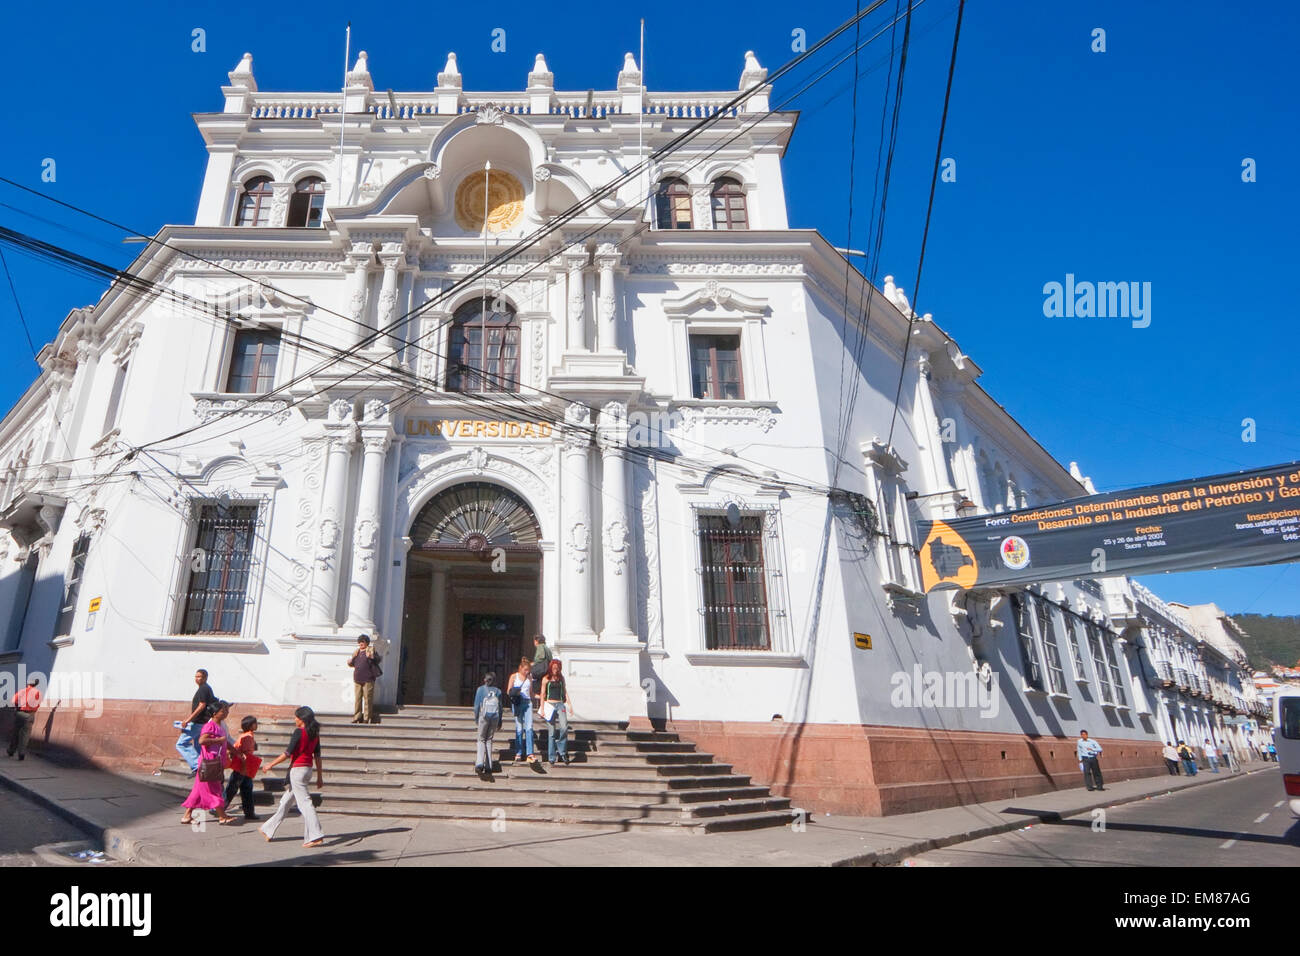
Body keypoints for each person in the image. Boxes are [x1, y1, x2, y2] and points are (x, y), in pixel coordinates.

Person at [260, 706, 325, 847]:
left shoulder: (299, 732)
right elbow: (318, 756)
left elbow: (287, 753)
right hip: (307, 770)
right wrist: (320, 776)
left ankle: (315, 835)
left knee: (305, 803)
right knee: (286, 801)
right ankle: (268, 829)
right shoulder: (315, 734)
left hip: (297, 770)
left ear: (302, 719)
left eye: (296, 717)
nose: (294, 719)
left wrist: (270, 764)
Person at [181, 700, 235, 826]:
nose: (226, 712)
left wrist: (236, 752)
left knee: (198, 791)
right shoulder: (210, 726)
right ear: (215, 713)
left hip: (215, 762)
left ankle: (187, 815)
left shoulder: (220, 726)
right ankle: (222, 816)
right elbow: (202, 740)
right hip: (209, 762)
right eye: (223, 711)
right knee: (213, 789)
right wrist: (218, 740)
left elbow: (226, 742)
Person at [176, 669, 217, 774]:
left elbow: (202, 705)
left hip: (198, 722)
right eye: (196, 676)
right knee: (198, 745)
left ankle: (197, 765)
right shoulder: (205, 688)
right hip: (202, 722)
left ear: (205, 678)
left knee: (181, 744)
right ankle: (203, 765)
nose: (197, 679)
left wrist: (188, 719)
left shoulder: (203, 689)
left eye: (200, 677)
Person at [224, 716, 262, 821]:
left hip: (243, 767)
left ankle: (249, 812)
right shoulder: (248, 737)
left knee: (245, 789)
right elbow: (244, 754)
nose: (256, 724)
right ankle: (220, 808)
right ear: (250, 725)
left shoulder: (246, 736)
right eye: (255, 723)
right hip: (243, 767)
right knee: (234, 788)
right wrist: (244, 768)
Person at [539, 659, 573, 766]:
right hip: (549, 705)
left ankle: (562, 751)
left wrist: (570, 704)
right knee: (552, 732)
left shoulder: (561, 678)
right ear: (550, 668)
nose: (555, 670)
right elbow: (543, 694)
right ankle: (552, 756)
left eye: (557, 668)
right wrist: (542, 708)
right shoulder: (546, 679)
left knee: (564, 727)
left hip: (560, 704)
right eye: (554, 668)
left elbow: (565, 690)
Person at [472, 672, 503, 775]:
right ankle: (489, 765)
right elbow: (500, 707)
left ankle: (479, 763)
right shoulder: (498, 691)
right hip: (494, 717)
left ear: (485, 679)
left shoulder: (480, 690)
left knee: (481, 739)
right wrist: (500, 721)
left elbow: (476, 706)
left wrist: (476, 718)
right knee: (489, 740)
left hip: (484, 716)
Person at [346, 635, 382, 725]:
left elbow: (378, 659)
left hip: (368, 679)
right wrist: (350, 662)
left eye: (363, 641)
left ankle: (367, 717)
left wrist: (371, 656)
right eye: (360, 642)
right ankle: (357, 717)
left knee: (367, 698)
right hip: (358, 678)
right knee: (358, 699)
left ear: (366, 642)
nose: (361, 643)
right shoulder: (357, 652)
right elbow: (354, 663)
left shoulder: (371, 650)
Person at [506, 658, 536, 764]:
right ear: (520, 668)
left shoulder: (529, 677)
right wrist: (516, 693)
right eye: (525, 670)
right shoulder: (514, 676)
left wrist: (539, 697)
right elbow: (508, 690)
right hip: (518, 703)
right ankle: (518, 752)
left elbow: (531, 692)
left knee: (529, 727)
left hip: (528, 702)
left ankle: (530, 753)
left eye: (528, 670)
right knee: (519, 728)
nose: (527, 672)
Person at [7, 676, 42, 760]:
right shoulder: (38, 692)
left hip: (19, 713)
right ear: (36, 684)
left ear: (28, 683)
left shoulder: (21, 691)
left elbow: (13, 701)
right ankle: (21, 753)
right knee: (25, 735)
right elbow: (38, 703)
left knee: (15, 732)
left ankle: (11, 750)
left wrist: (17, 707)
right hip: (30, 714)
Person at [530, 635, 554, 711]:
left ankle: (543, 708)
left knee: (535, 690)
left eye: (534, 641)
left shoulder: (540, 647)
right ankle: (543, 708)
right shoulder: (547, 648)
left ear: (536, 641)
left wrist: (533, 664)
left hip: (541, 672)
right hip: (546, 672)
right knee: (544, 690)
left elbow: (540, 658)